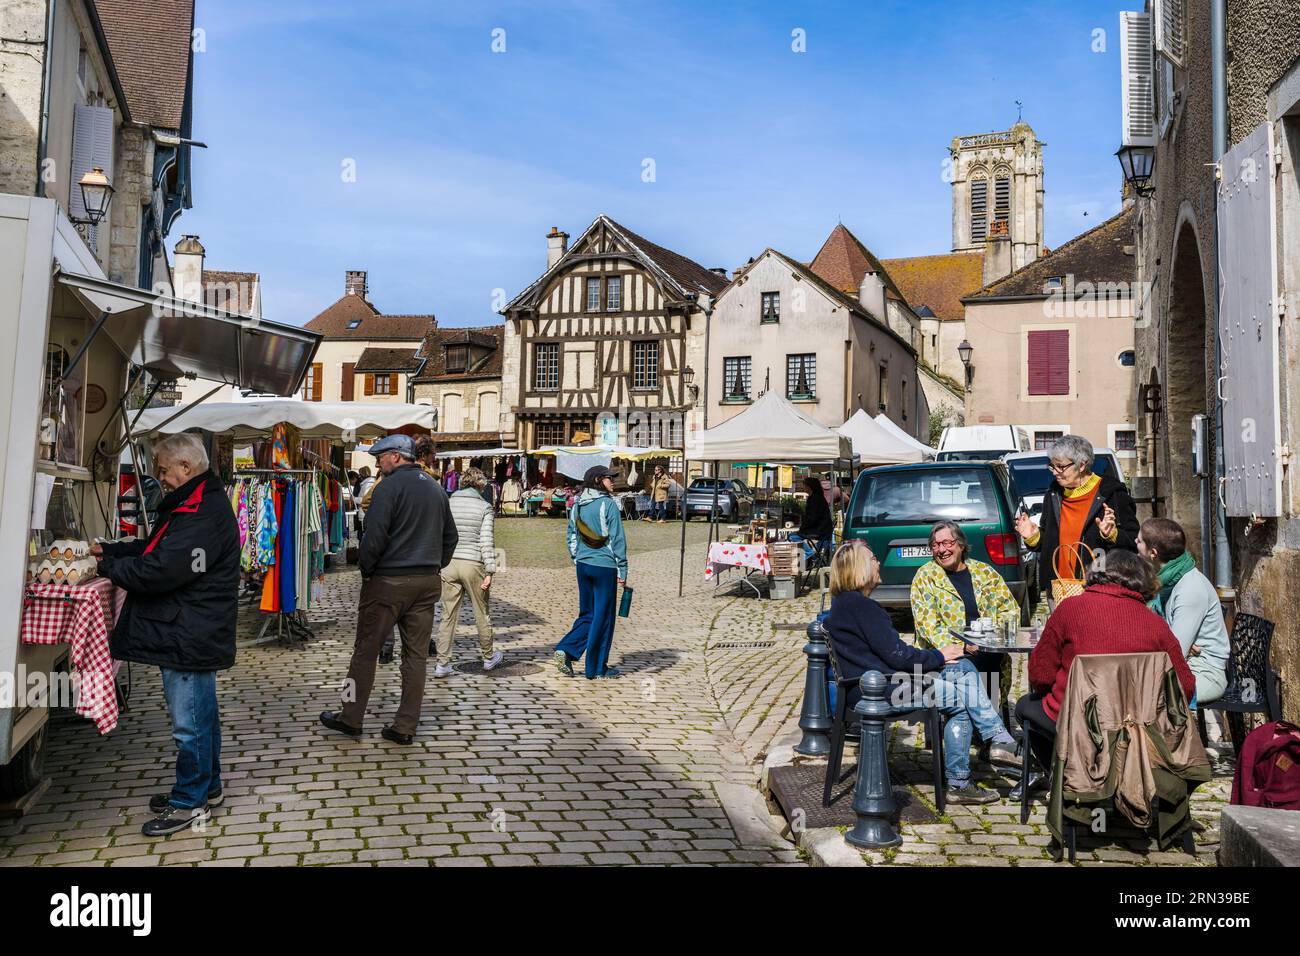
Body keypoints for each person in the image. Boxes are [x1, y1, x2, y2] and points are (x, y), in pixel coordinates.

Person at [93, 433, 240, 837]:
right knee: (201, 717)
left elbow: (162, 570)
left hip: (188, 631)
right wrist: (111, 553)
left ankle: (189, 802)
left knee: (190, 723)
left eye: (163, 470)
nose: (162, 478)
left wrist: (108, 570)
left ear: (185, 468)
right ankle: (207, 788)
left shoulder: (201, 511)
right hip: (191, 628)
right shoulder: (197, 502)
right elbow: (155, 550)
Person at [823, 540, 1020, 804]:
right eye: (872, 559)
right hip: (886, 689)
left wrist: (943, 658)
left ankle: (998, 737)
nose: (878, 563)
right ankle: (962, 781)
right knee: (961, 701)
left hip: (880, 683)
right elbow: (899, 656)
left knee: (961, 667)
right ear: (859, 568)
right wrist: (939, 655)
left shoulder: (845, 604)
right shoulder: (863, 607)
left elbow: (895, 655)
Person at [1015, 549, 1197, 794]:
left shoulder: (1070, 609)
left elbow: (1040, 674)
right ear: (1144, 582)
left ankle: (1067, 780)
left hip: (1078, 721)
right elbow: (1184, 686)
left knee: (1025, 707)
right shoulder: (1155, 624)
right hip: (1140, 727)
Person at [320, 434, 457, 744]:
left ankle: (350, 715)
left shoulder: (388, 488)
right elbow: (451, 537)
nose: (377, 462)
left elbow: (374, 539)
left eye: (380, 456)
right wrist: (434, 564)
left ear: (396, 456)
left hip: (387, 582)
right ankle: (405, 726)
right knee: (416, 657)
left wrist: (367, 570)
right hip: (426, 582)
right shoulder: (437, 489)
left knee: (364, 653)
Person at [1014, 435, 1139, 606]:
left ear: (1082, 465)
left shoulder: (1112, 494)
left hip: (1098, 587)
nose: (1055, 472)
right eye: (1052, 466)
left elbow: (1133, 541)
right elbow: (1048, 542)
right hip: (1059, 588)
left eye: (1061, 467)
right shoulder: (1053, 495)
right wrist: (1033, 536)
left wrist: (1112, 536)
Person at [911, 520, 1020, 708]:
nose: (941, 550)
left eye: (947, 543)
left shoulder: (985, 572)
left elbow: (1010, 610)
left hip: (987, 649)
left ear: (961, 544)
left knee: (991, 659)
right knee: (969, 666)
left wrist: (994, 639)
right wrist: (963, 646)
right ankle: (986, 726)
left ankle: (987, 721)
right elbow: (928, 626)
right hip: (948, 654)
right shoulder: (925, 577)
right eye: (935, 545)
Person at [1137, 517, 1230, 705]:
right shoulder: (1164, 581)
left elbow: (1173, 651)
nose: (1135, 543)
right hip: (1186, 662)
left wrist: (1172, 641)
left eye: (1139, 541)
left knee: (1142, 694)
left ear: (1153, 553)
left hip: (1203, 673)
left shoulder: (1189, 589)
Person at [554, 465, 627, 679]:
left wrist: (577, 558)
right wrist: (623, 568)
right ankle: (596, 668)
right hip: (604, 567)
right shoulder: (608, 505)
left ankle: (566, 650)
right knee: (603, 617)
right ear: (597, 480)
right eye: (609, 478)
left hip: (583, 566)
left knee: (588, 613)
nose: (613, 481)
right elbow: (617, 539)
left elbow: (571, 536)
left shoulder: (577, 505)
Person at [433, 467, 502, 676]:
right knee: (481, 612)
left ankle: (442, 663)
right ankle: (489, 657)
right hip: (473, 563)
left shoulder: (448, 502)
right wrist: (490, 570)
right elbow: (486, 542)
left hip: (449, 563)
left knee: (447, 615)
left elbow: (439, 533)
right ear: (481, 486)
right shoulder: (485, 507)